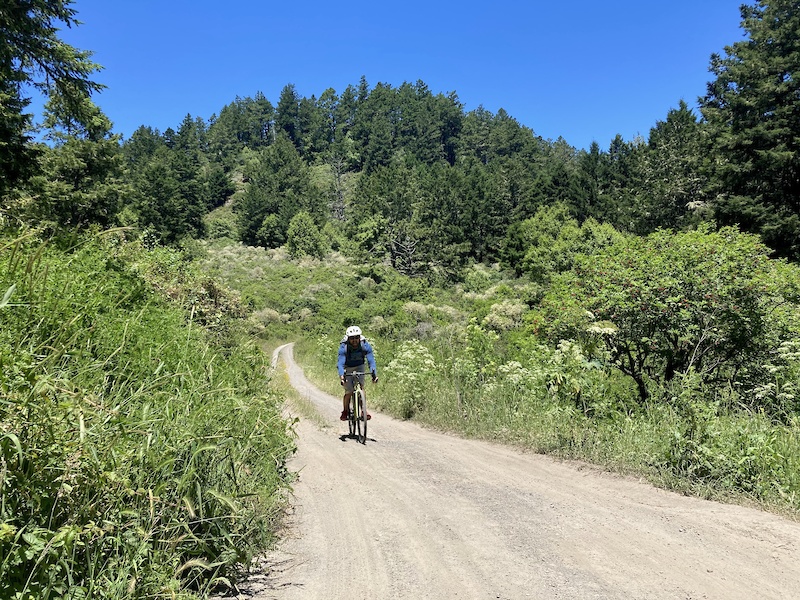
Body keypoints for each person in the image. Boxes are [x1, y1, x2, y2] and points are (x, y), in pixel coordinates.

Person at [337, 325, 378, 421]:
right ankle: (345, 411)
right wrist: (342, 376)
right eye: (352, 338)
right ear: (348, 339)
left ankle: (364, 411)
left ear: (360, 337)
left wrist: (374, 375)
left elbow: (371, 361)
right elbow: (340, 363)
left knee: (361, 388)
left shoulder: (365, 346)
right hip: (347, 367)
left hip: (360, 366)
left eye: (357, 337)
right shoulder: (344, 347)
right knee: (349, 391)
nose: (354, 340)